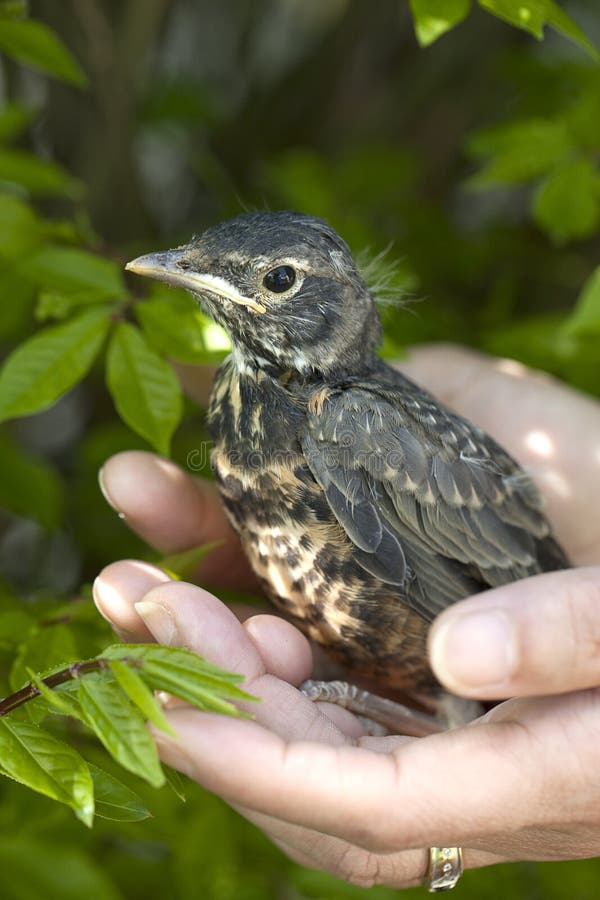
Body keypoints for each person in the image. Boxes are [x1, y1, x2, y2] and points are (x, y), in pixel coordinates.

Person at [93, 344, 600, 889]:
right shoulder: (254, 406)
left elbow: (463, 614)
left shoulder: (348, 421)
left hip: (473, 656)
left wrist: (455, 715)